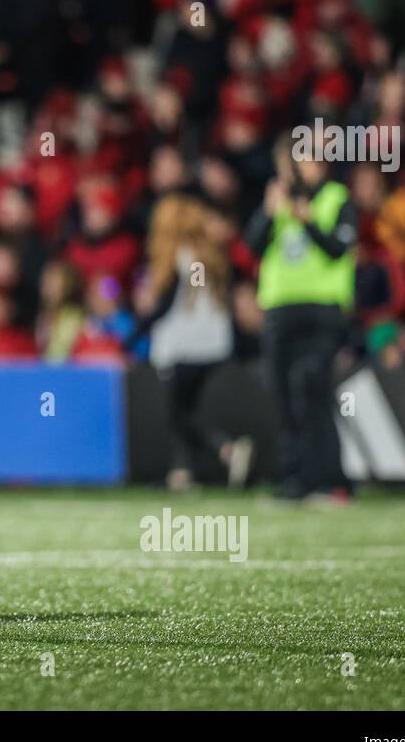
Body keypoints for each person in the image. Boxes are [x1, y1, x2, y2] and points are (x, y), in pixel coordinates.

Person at [246, 152, 357, 500]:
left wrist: (307, 221)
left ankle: (331, 479)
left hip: (321, 310)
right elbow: (252, 245)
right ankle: (296, 480)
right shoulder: (278, 200)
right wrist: (269, 210)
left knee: (311, 391)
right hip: (280, 310)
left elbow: (339, 248)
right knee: (282, 394)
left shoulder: (336, 198)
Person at [130, 194, 251, 490]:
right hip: (212, 345)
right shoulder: (210, 256)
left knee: (178, 413)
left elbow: (165, 306)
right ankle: (183, 470)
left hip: (183, 347)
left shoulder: (177, 257)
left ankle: (223, 450)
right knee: (186, 410)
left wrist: (133, 334)